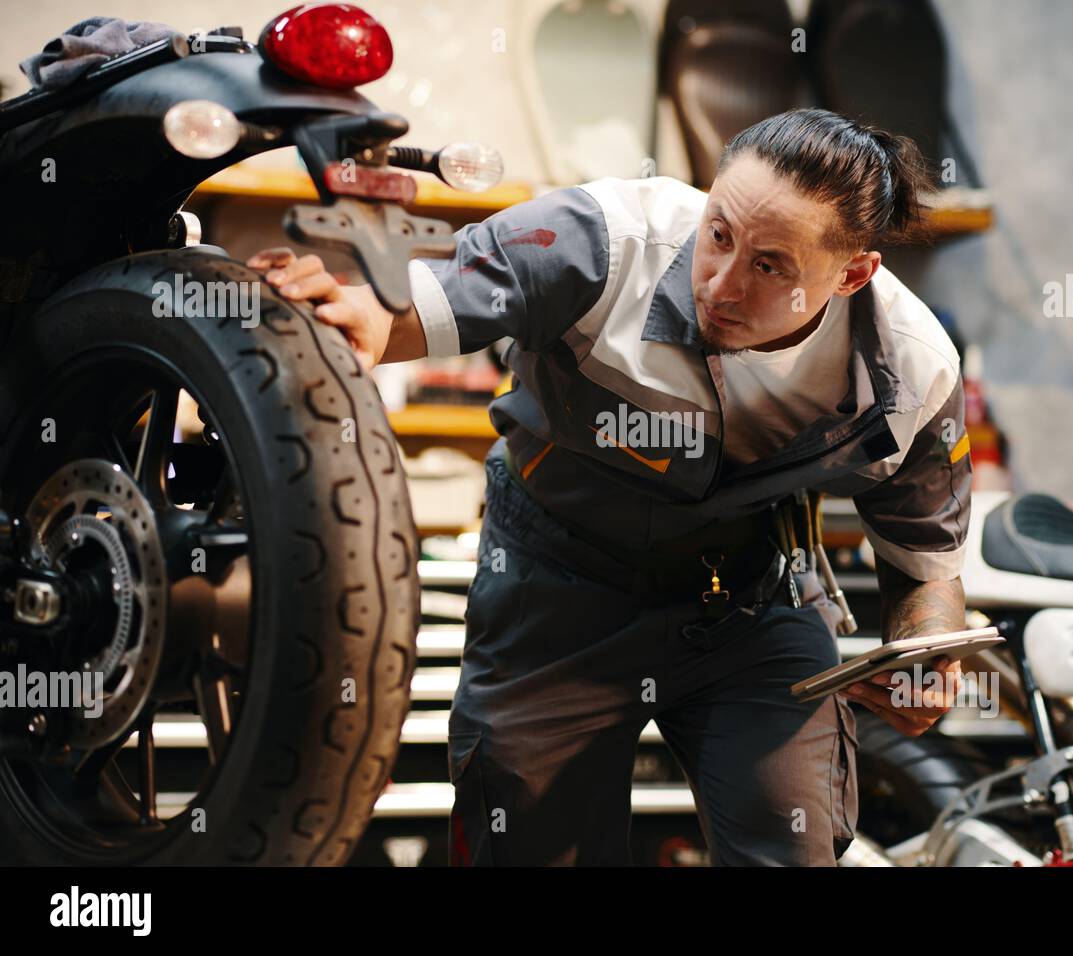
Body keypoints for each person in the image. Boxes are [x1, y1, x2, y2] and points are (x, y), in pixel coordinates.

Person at [248, 108, 972, 866]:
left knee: (788, 840)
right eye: (718, 233)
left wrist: (924, 648)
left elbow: (927, 566)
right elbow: (418, 303)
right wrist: (355, 311)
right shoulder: (599, 237)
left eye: (770, 267)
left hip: (748, 607)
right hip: (554, 598)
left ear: (854, 272)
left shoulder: (912, 367)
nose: (720, 284)